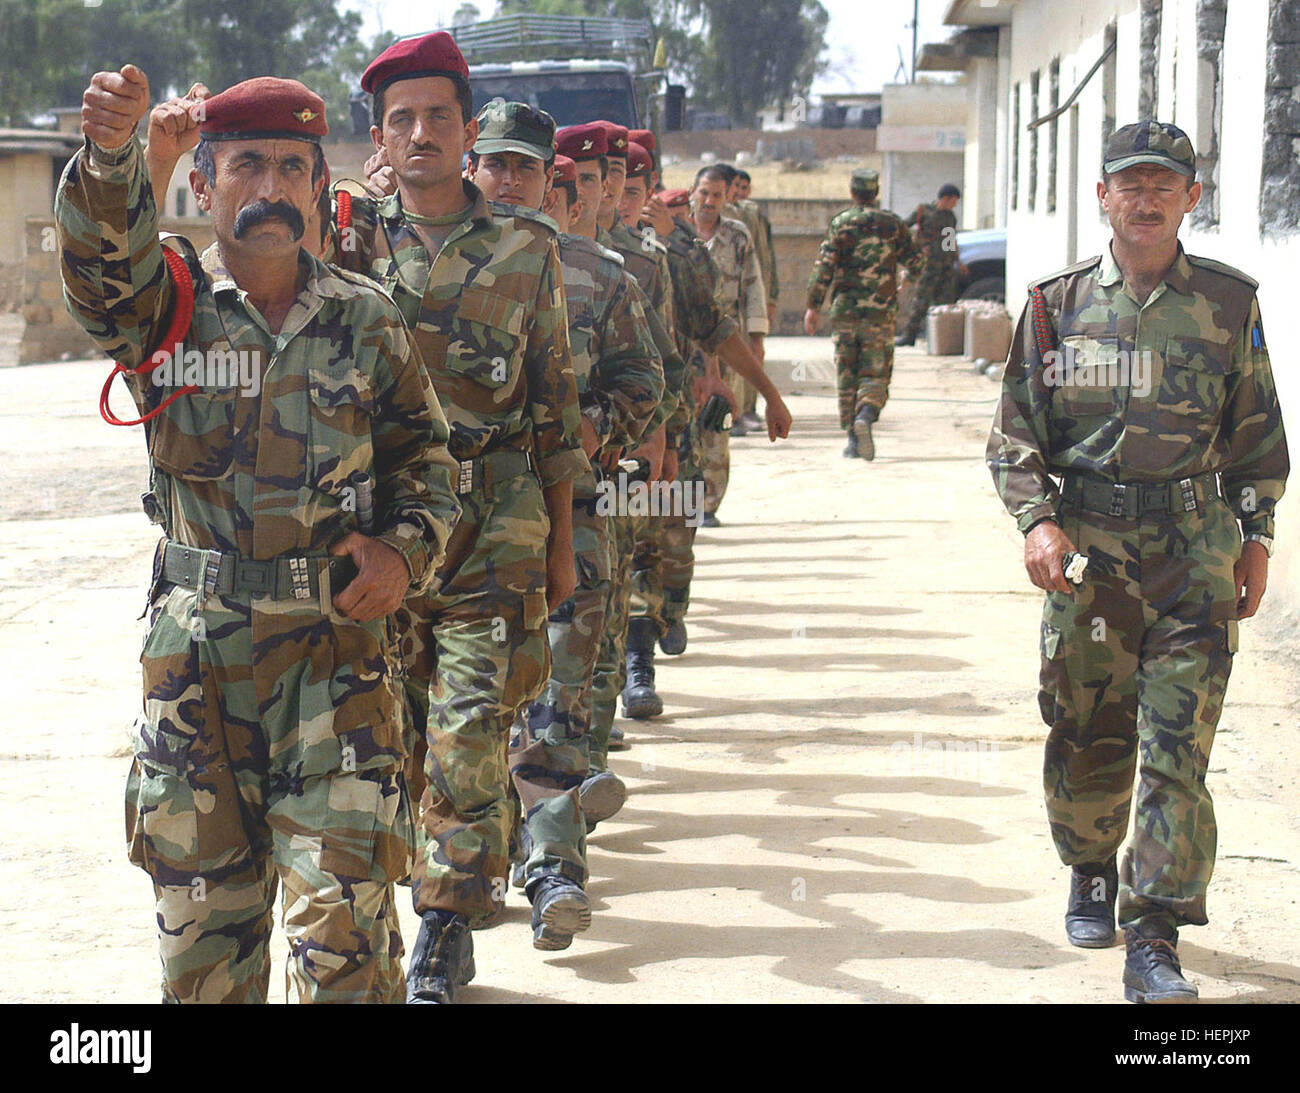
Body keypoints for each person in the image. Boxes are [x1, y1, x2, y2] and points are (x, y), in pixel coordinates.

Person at [59, 67, 460, 1003]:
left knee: (346, 952)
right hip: (197, 676)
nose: (270, 189)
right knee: (204, 966)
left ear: (320, 187)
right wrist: (119, 157)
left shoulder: (367, 320)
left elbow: (428, 463)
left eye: (291, 167)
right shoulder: (168, 309)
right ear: (204, 186)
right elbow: (100, 266)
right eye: (246, 166)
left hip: (339, 675)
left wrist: (404, 549)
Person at [987, 121, 1289, 1004]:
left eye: (1165, 185)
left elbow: (1257, 435)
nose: (1147, 200)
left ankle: (1153, 929)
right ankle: (1089, 865)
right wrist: (1037, 523)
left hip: (1195, 552)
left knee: (1177, 748)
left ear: (1193, 198)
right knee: (1089, 728)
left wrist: (1258, 534)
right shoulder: (1057, 304)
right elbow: (1013, 437)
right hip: (1091, 556)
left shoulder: (1231, 306)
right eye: (1131, 185)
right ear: (1103, 197)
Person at [342, 32, 587, 1003]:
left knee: (470, 728)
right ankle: (435, 883)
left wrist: (565, 539)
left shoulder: (528, 248)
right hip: (384, 526)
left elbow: (555, 402)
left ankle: (445, 928)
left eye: (438, 116)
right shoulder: (351, 239)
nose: (420, 134)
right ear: (379, 135)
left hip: (498, 522)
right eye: (400, 118)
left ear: (465, 127)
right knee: (396, 735)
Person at [465, 103, 664, 939]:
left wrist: (594, 430)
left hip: (570, 522)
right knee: (465, 718)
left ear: (553, 182)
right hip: (456, 535)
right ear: (471, 168)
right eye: (495, 165)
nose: (508, 181)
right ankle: (471, 879)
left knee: (556, 708)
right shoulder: (426, 270)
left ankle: (551, 871)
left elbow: (644, 381)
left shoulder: (597, 272)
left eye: (526, 168)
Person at [805, 168, 923, 460]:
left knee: (847, 373)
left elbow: (824, 268)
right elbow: (917, 260)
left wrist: (813, 306)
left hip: (845, 313)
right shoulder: (893, 225)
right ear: (876, 192)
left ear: (853, 192)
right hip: (881, 314)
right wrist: (905, 279)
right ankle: (866, 416)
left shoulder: (841, 224)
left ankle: (852, 440)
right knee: (876, 372)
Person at [691, 164, 768, 525]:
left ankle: (708, 502)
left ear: (727, 198)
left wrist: (757, 338)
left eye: (717, 195)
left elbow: (754, 285)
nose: (709, 201)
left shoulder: (736, 235)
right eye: (704, 192)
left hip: (727, 343)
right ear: (693, 192)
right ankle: (681, 499)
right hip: (686, 345)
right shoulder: (674, 231)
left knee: (718, 421)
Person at [896, 182, 961, 347]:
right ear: (946, 198)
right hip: (928, 264)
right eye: (954, 201)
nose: (955, 205)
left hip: (945, 265)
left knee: (945, 302)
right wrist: (916, 248)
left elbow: (950, 240)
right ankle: (909, 335)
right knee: (921, 300)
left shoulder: (950, 217)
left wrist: (957, 260)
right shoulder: (923, 211)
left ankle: (941, 337)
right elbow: (903, 228)